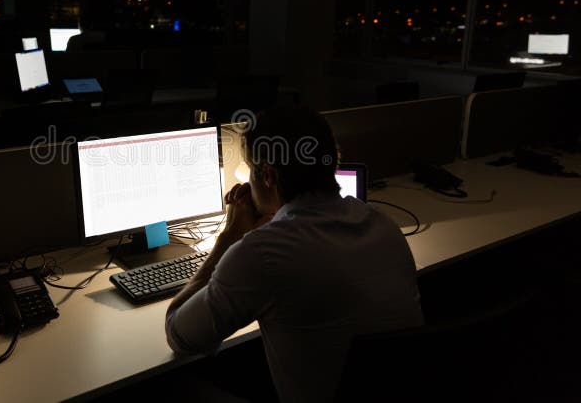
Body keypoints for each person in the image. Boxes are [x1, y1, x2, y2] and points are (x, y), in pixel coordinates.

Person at [165, 106, 424, 402]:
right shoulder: (383, 223)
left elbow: (179, 335)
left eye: (251, 170)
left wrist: (229, 238)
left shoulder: (260, 254)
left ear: (269, 177)